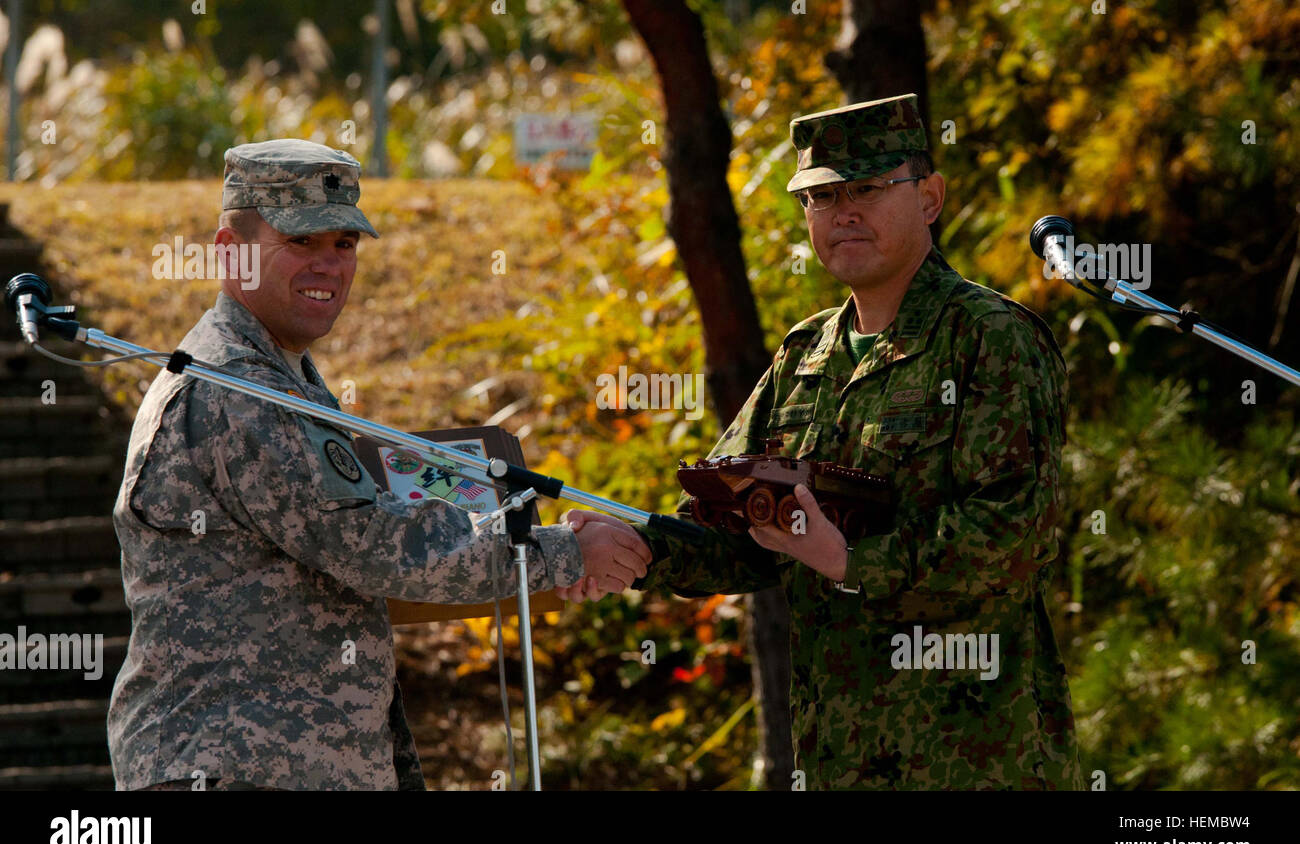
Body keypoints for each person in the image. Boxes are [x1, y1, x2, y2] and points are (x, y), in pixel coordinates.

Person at [571, 94, 1085, 790]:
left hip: (976, 756)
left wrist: (850, 562)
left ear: (930, 198)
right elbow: (737, 527)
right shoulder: (806, 353)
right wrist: (634, 546)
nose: (843, 212)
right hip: (841, 756)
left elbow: (1016, 537)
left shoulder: (991, 339)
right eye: (822, 195)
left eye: (868, 189)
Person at [108, 139, 651, 791]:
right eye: (301, 242)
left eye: (344, 243)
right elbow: (380, 546)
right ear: (231, 251)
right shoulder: (238, 392)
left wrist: (533, 557)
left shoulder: (282, 377)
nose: (329, 265)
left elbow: (356, 560)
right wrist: (561, 554)